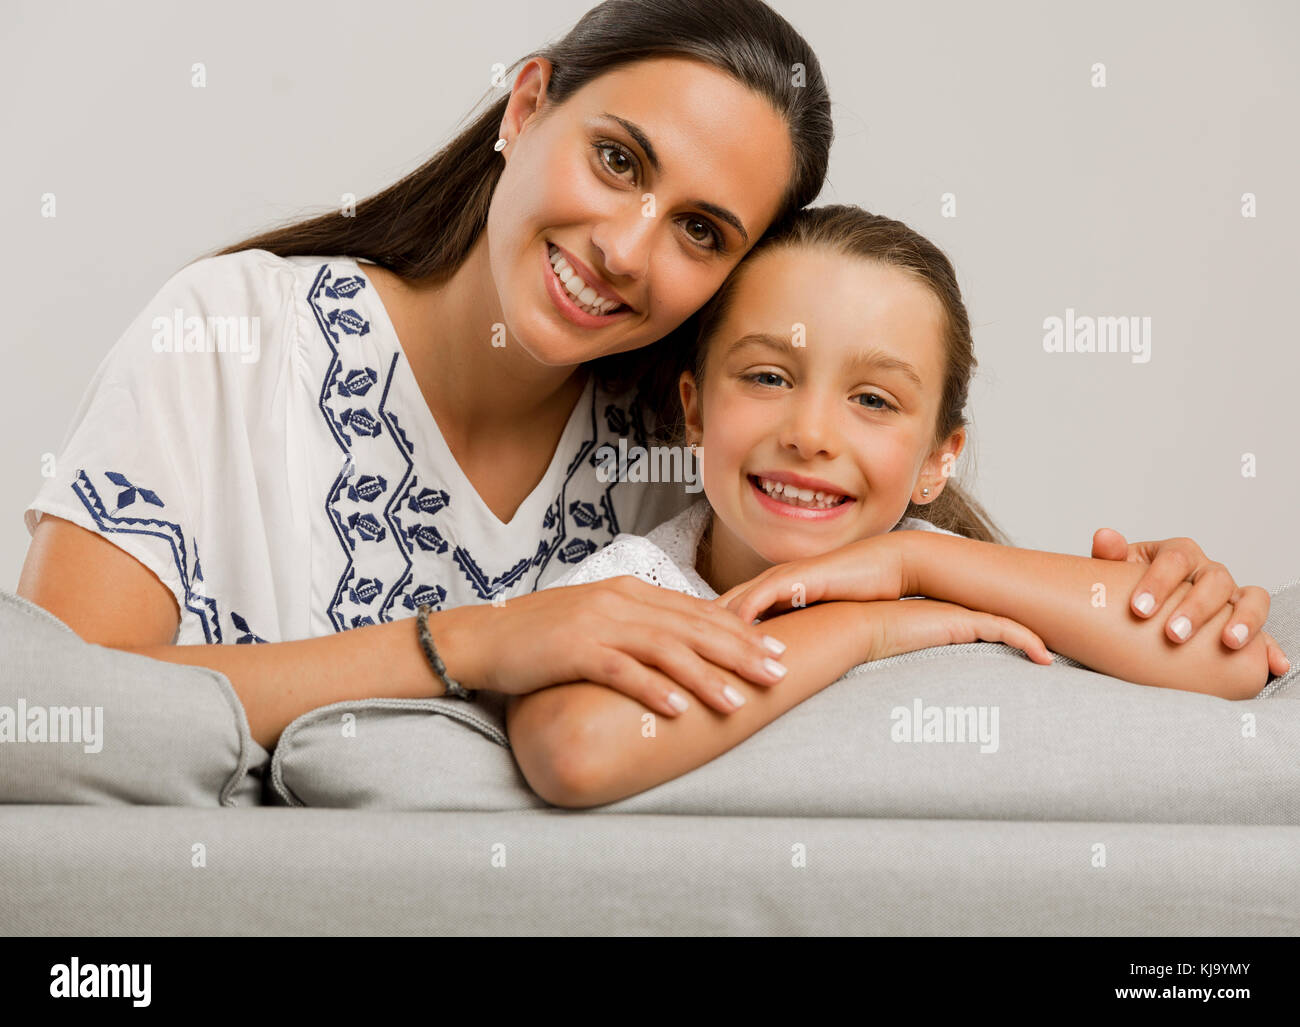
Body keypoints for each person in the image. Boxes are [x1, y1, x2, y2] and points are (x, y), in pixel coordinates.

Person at [15, 0, 1279, 757]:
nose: (626, 250)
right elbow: (59, 715)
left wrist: (953, 564)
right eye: (618, 160)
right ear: (527, 107)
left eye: (701, 231)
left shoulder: (708, 440)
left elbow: (1057, 622)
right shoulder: (233, 334)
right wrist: (474, 644)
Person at [503, 204, 1293, 808]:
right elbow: (575, 752)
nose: (810, 434)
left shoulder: (946, 573)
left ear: (938, 460)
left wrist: (914, 559)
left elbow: (1229, 663)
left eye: (873, 399)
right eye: (769, 376)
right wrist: (863, 627)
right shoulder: (635, 585)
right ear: (696, 410)